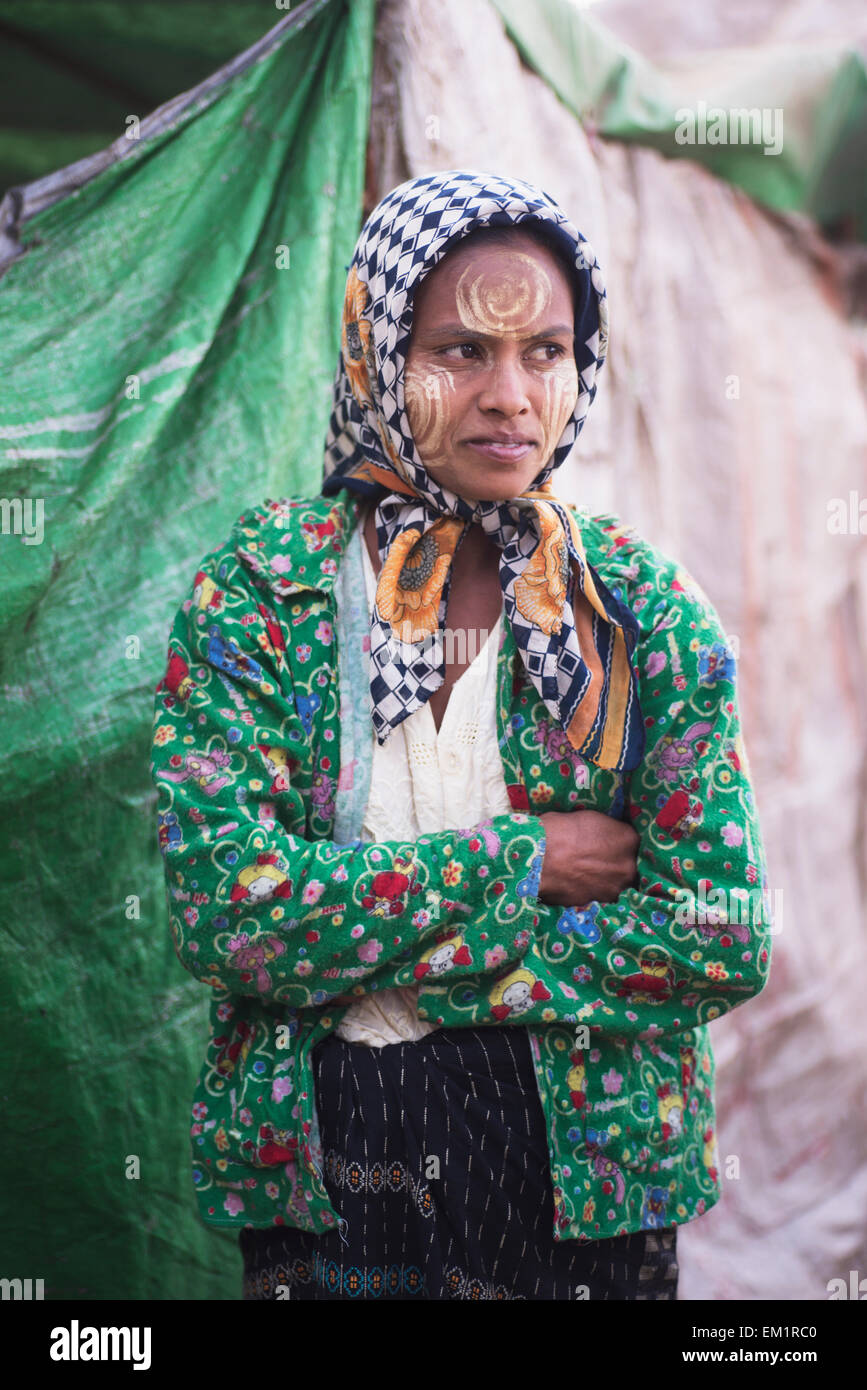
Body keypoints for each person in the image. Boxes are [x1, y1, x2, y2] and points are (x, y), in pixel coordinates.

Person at [150, 168, 772, 1301]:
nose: (510, 395)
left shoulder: (640, 616)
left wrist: (420, 976)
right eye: (458, 351)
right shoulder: (258, 597)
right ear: (380, 354)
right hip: (329, 1184)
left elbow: (718, 932)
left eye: (545, 350)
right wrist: (525, 860)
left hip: (585, 1194)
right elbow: (229, 917)